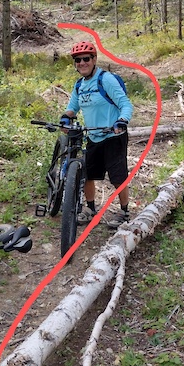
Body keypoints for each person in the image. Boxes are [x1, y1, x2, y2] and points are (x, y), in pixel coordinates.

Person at [59, 40, 133, 230]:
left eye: (86, 59)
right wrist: (66, 118)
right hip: (93, 137)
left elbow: (125, 104)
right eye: (78, 60)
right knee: (89, 175)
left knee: (117, 177)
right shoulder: (79, 85)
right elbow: (72, 108)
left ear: (94, 59)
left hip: (113, 136)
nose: (82, 63)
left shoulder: (105, 80)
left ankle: (124, 211)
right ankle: (91, 209)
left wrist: (122, 121)